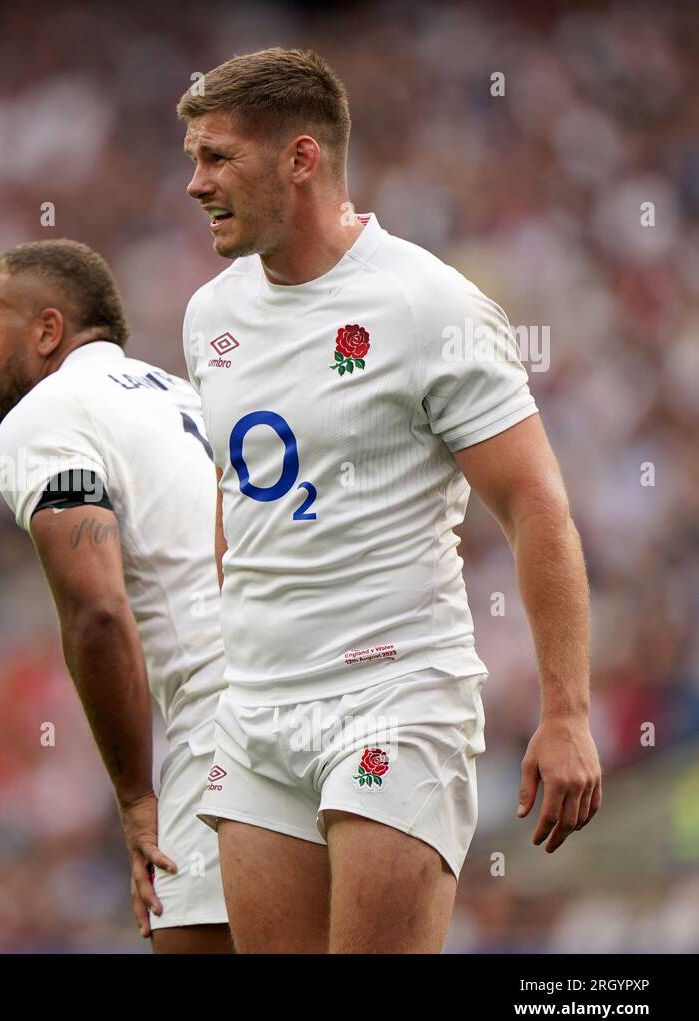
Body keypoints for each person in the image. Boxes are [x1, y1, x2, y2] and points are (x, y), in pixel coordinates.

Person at [176, 48, 602, 953]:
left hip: (393, 694)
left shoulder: (427, 304)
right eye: (193, 158)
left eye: (217, 158)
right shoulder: (208, 315)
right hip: (257, 712)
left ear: (300, 158)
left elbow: (536, 505)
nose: (195, 182)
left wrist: (566, 711)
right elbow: (235, 501)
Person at [0, 239, 232, 953]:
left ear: (47, 331)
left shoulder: (46, 414)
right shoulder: (185, 392)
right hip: (315, 689)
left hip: (228, 725)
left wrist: (137, 800)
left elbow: (99, 610)